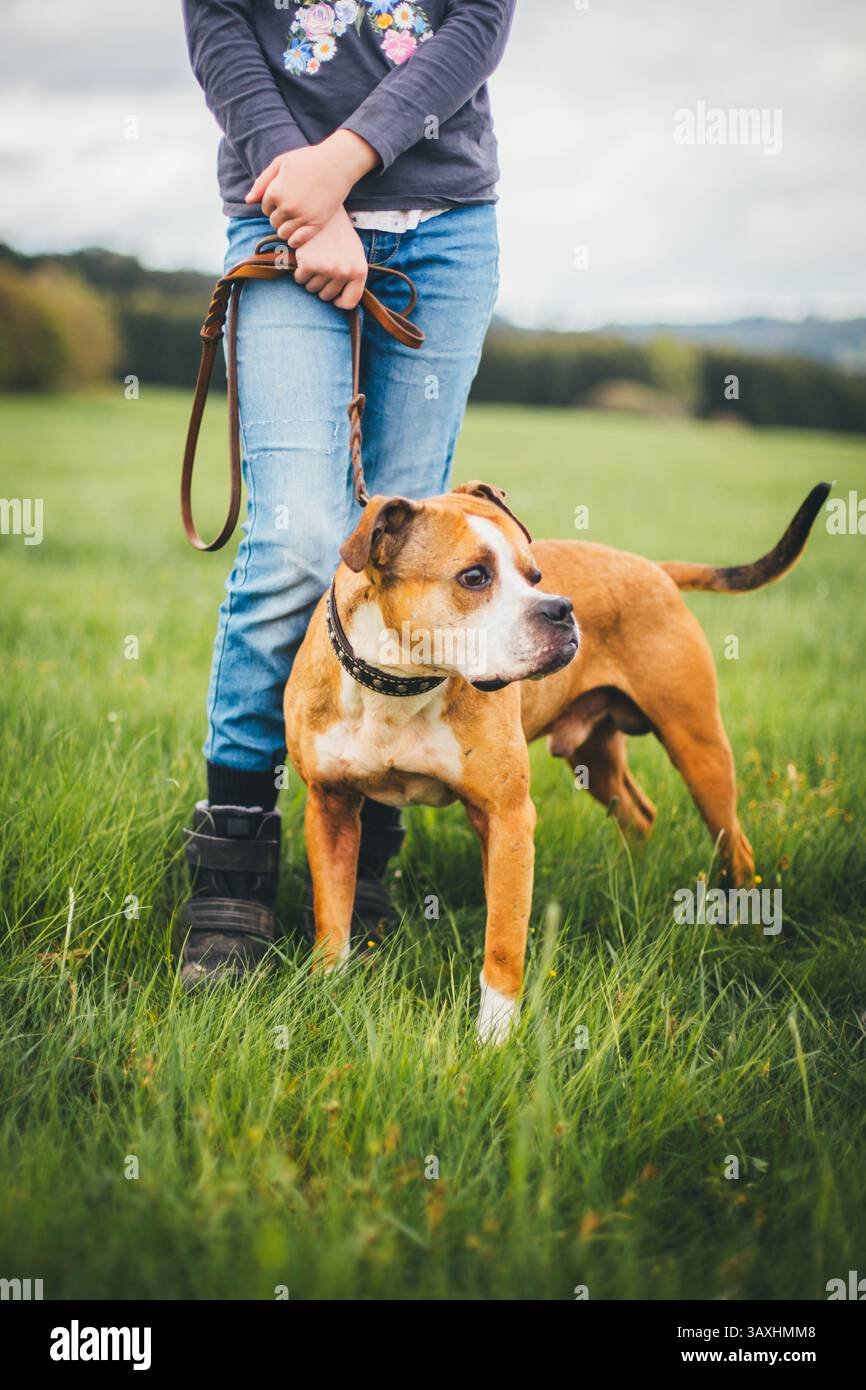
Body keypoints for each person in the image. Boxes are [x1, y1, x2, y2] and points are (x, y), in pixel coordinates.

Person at [180, 0, 516, 987]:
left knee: (407, 553)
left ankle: (362, 861)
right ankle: (232, 864)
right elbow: (217, 22)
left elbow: (480, 17)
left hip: (445, 226)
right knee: (298, 540)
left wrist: (350, 158)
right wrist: (310, 189)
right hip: (280, 210)